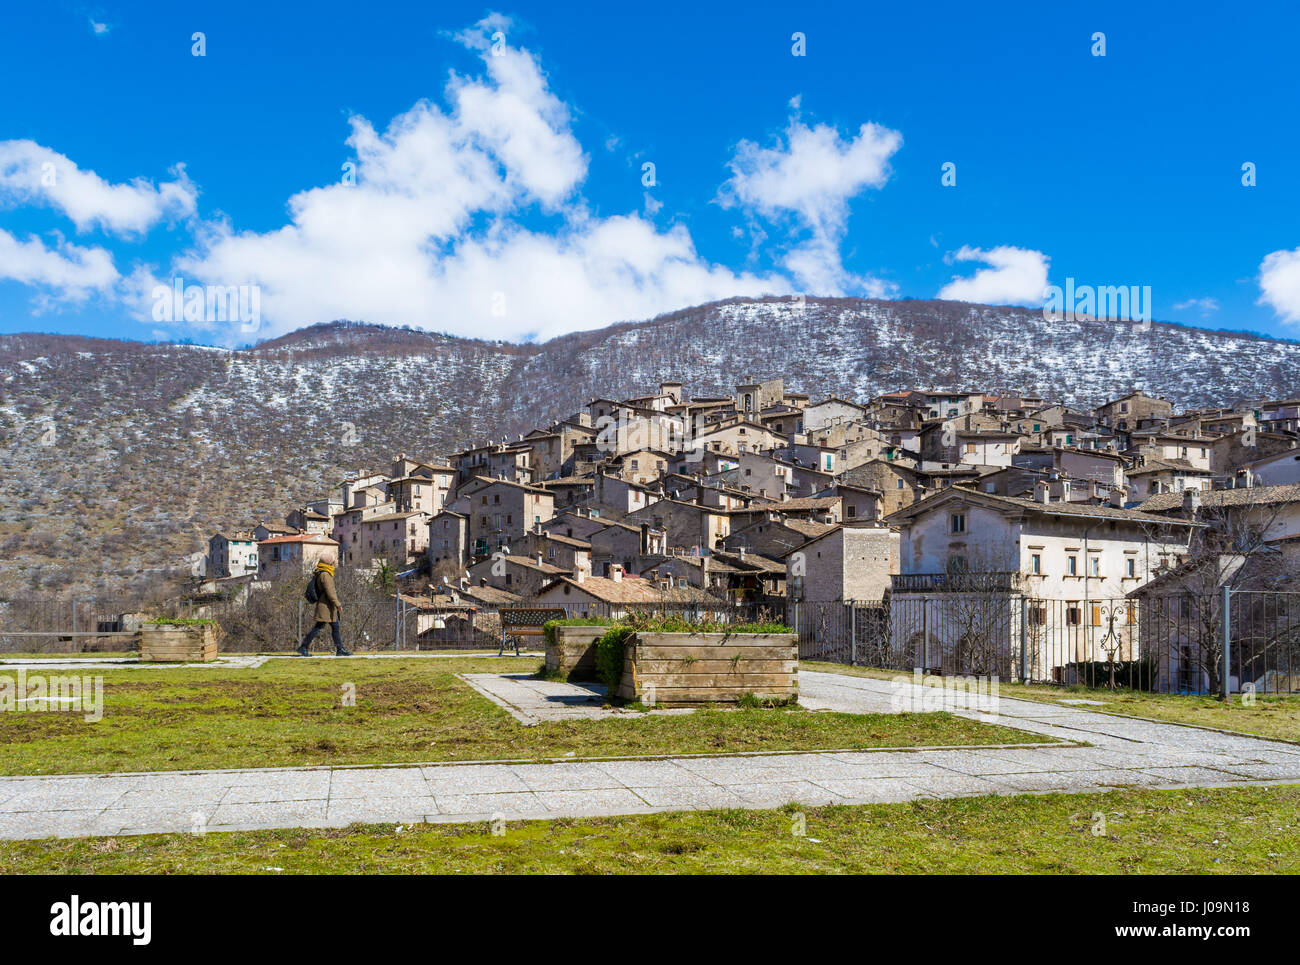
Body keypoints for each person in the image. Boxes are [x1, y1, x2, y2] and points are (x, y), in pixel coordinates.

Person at [296, 558, 352, 656]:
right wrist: (338, 604)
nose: (333, 565)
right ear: (327, 563)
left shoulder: (322, 573)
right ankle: (303, 647)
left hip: (328, 606)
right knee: (318, 628)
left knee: (335, 627)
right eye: (331, 563)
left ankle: (340, 649)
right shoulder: (325, 574)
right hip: (326, 606)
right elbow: (330, 592)